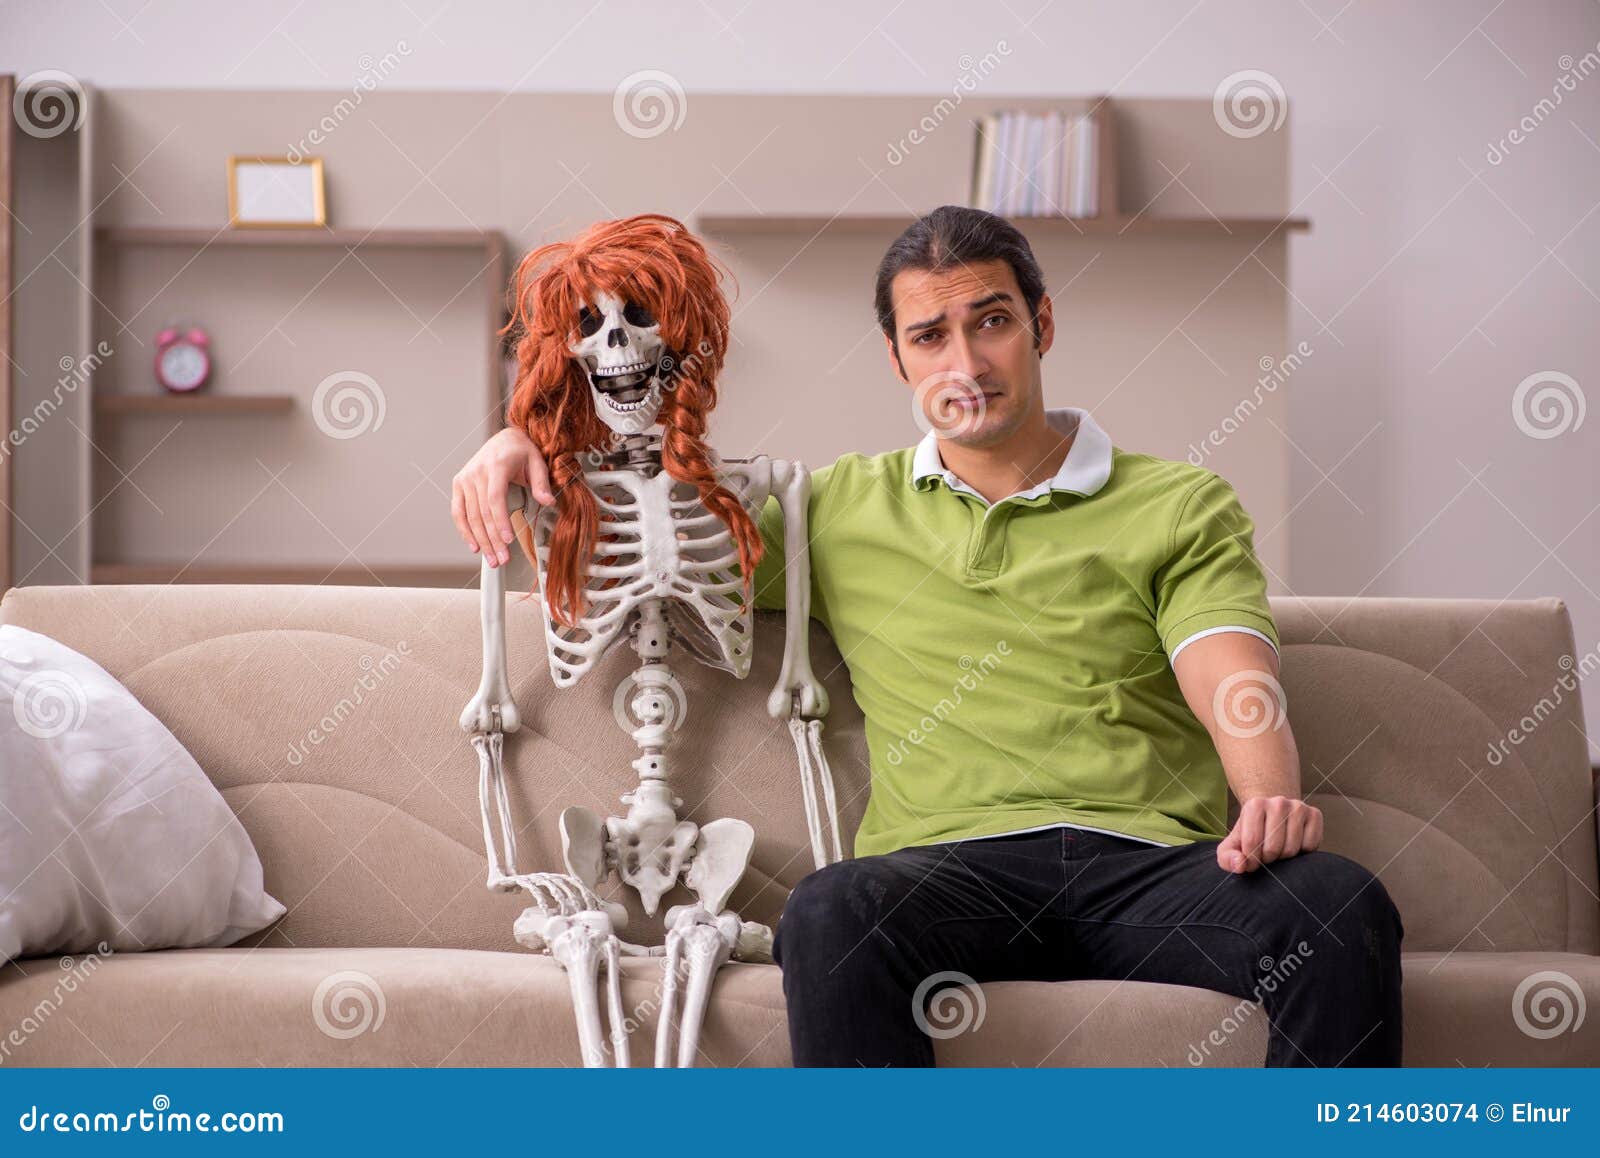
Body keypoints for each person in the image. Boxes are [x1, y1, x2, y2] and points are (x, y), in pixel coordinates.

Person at [450, 205, 1405, 1068]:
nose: (966, 363)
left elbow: (1227, 667)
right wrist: (518, 438)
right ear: (897, 358)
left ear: (1042, 324)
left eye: (991, 321)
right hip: (947, 873)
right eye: (930, 335)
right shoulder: (832, 510)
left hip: (1151, 865)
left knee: (1338, 906)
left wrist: (1268, 793)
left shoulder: (1176, 501)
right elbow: (645, 515)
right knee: (828, 913)